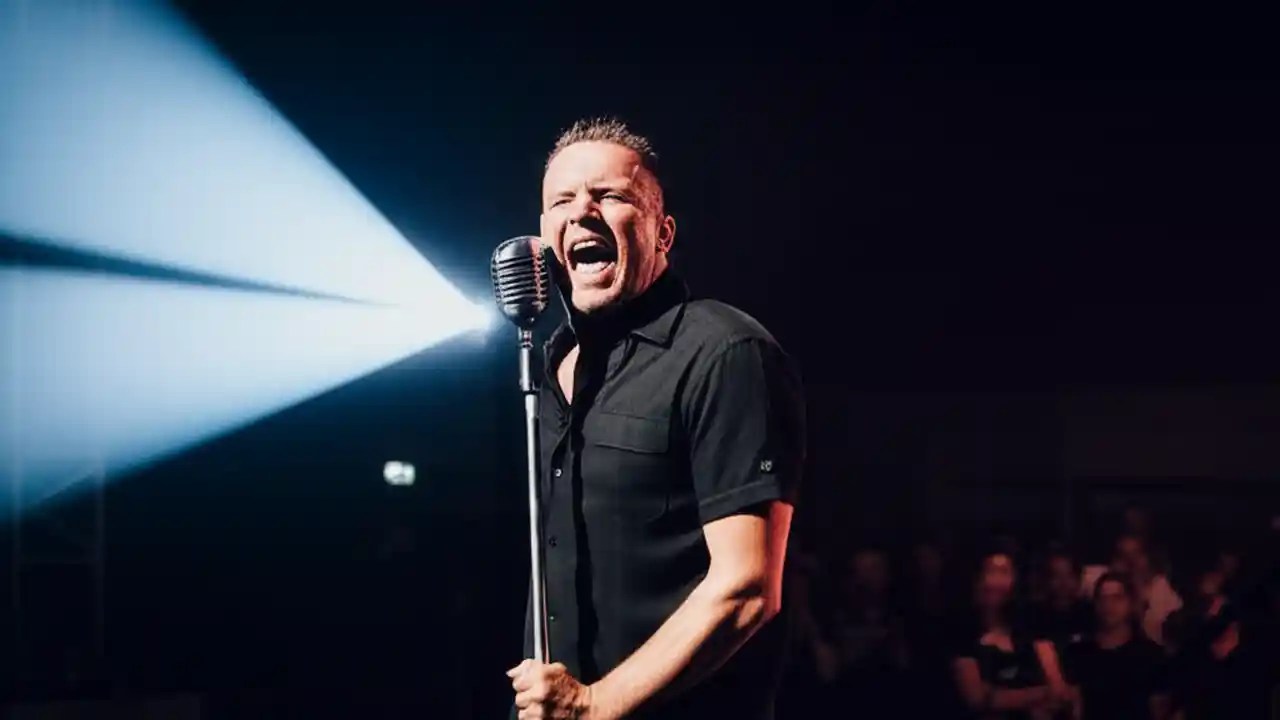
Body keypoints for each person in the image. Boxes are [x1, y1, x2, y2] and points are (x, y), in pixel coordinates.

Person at [507, 118, 806, 720]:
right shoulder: (549, 362)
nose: (581, 212)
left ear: (662, 232)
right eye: (561, 200)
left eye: (609, 195)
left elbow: (747, 589)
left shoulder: (725, 353)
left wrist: (594, 705)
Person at [948, 548, 1072, 720]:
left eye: (1005, 572)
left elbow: (1057, 684)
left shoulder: (1031, 626)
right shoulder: (963, 632)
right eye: (991, 571)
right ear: (977, 578)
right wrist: (1039, 694)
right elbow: (977, 698)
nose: (997, 581)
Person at [1064, 572, 1171, 720]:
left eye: (1117, 598)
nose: (1109, 605)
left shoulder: (1151, 655)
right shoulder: (1078, 653)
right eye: (1102, 598)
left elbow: (1161, 711)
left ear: (1130, 603)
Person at [1030, 546, 1092, 652]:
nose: (1063, 583)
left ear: (1078, 578)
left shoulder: (1090, 613)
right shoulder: (1034, 616)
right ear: (1047, 580)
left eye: (1069, 575)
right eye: (1056, 575)